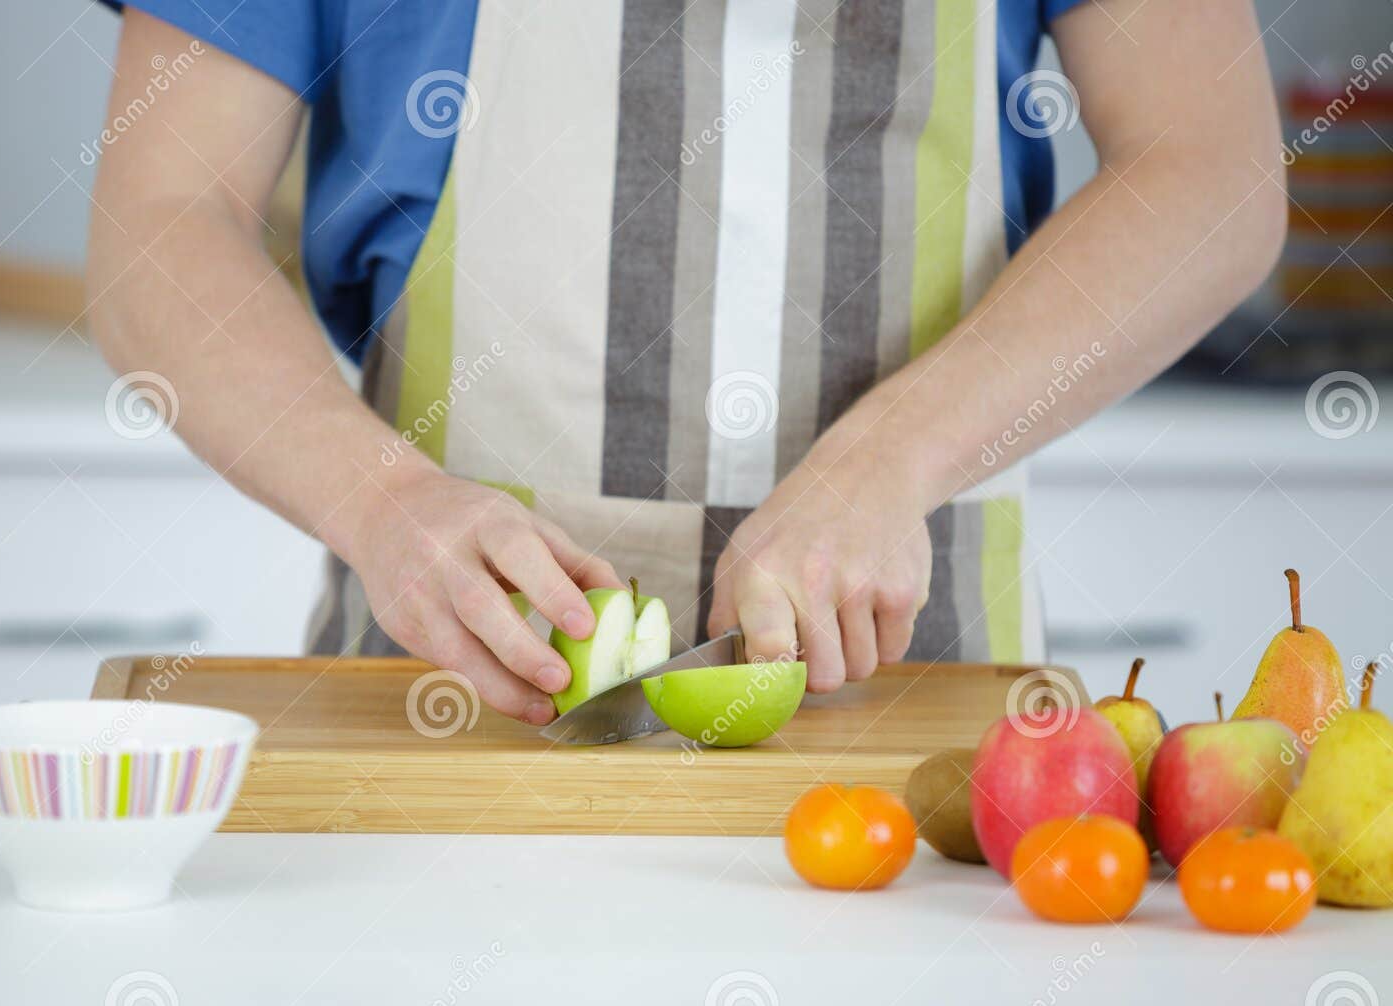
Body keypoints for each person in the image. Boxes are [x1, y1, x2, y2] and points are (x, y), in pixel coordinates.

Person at [88, 1, 1285, 725]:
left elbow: (1210, 169)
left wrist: (887, 456)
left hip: (917, 716)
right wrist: (385, 500)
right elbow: (161, 220)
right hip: (445, 708)